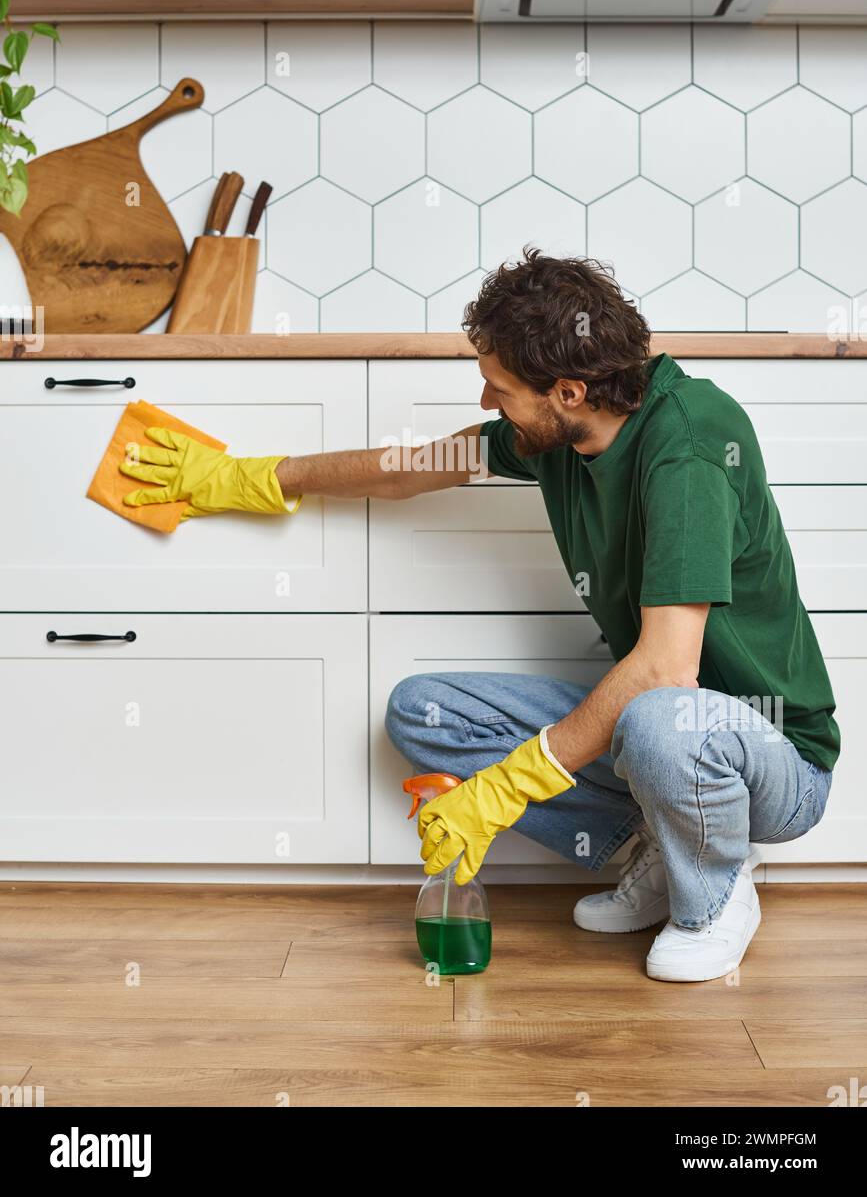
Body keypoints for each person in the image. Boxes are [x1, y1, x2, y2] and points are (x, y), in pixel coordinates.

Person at [119, 251, 838, 983]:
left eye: (500, 389)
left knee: (657, 714)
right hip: (669, 732)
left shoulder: (685, 447)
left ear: (566, 390)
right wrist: (252, 478)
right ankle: (666, 845)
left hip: (777, 758)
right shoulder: (562, 435)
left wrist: (505, 787)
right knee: (423, 713)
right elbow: (411, 467)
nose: (488, 402)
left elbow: (666, 668)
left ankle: (712, 897)